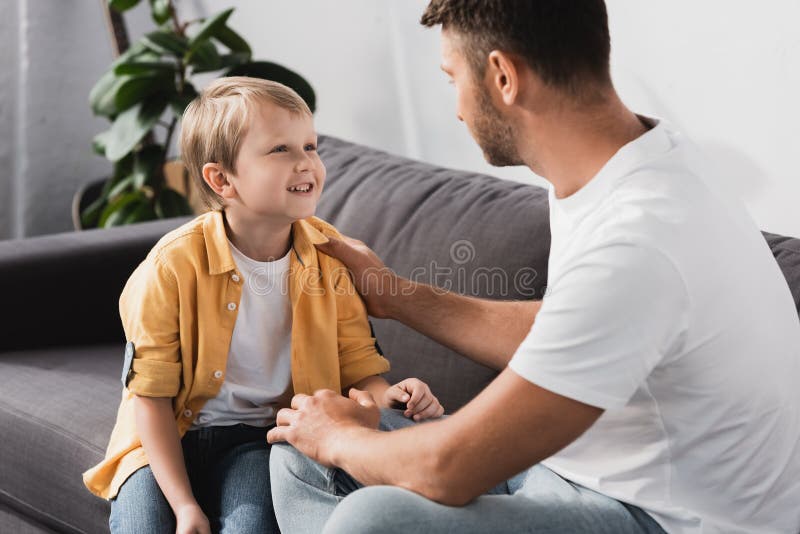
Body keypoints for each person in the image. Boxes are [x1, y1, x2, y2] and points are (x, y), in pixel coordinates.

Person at [266, 2, 800, 533]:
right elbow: (573, 329)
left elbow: (446, 469)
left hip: (659, 516)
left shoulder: (638, 241)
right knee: (299, 453)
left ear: (503, 76)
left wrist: (339, 438)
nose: (455, 107)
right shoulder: (635, 166)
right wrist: (393, 294)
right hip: (572, 471)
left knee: (371, 517)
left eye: (453, 79)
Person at [82, 76, 444, 534]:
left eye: (310, 147)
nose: (306, 163)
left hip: (259, 440)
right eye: (281, 150)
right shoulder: (169, 268)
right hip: (160, 441)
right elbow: (149, 400)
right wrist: (185, 506)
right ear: (222, 179)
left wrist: (388, 398)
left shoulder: (331, 257)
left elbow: (358, 369)